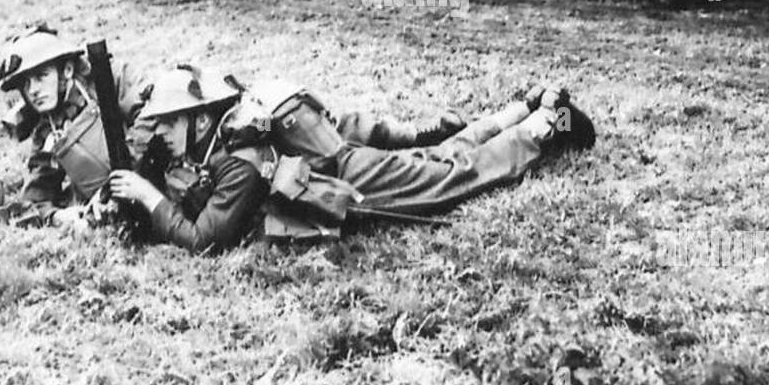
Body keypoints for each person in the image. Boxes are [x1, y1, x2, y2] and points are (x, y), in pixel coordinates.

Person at [105, 68, 596, 253]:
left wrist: (149, 200)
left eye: (171, 122)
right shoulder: (220, 140)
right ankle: (520, 108)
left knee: (454, 176)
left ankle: (546, 124)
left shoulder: (238, 161)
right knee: (441, 158)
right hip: (340, 168)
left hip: (353, 181)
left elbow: (206, 240)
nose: (162, 133)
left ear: (200, 119)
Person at [0, 25, 149, 228]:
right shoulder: (48, 129)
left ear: (67, 70)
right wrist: (58, 217)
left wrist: (114, 185)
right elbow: (34, 199)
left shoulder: (109, 78)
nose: (33, 90)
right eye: (25, 83)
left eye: (41, 76)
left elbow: (153, 124)